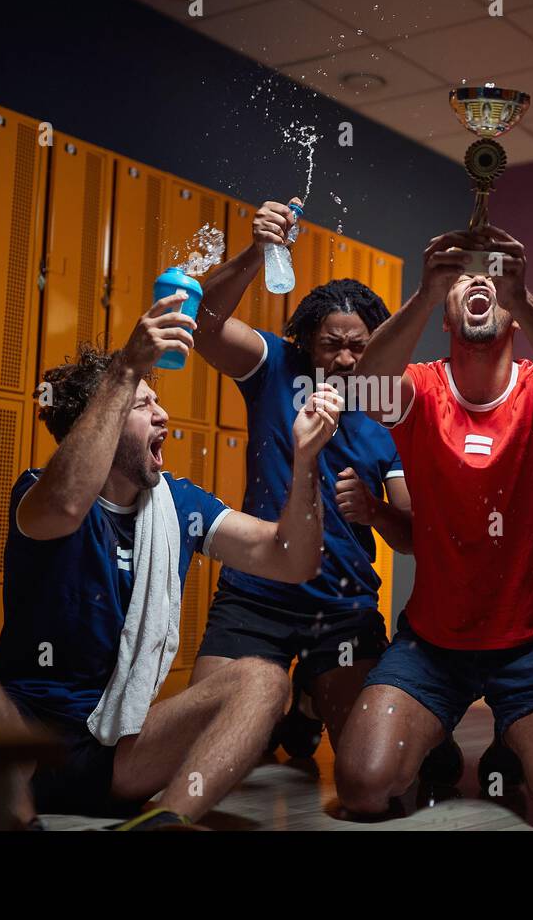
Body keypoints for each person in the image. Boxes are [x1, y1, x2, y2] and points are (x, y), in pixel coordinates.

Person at [0, 291, 343, 830]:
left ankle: (163, 822)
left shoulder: (179, 506)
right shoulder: (39, 493)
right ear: (100, 420)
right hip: (24, 739)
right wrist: (125, 368)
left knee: (264, 682)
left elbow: (293, 560)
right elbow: (68, 502)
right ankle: (18, 820)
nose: (163, 414)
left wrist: (307, 458)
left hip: (117, 750)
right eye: (143, 406)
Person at [333, 224, 533, 816]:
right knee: (363, 787)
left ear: (509, 314)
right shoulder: (423, 388)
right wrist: (425, 293)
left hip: (528, 644)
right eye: (461, 279)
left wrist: (524, 298)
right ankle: (441, 751)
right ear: (448, 318)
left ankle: (513, 741)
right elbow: (368, 389)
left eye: (491, 276)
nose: (477, 281)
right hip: (432, 643)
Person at [190, 198, 412, 758]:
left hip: (342, 609)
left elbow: (410, 536)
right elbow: (203, 328)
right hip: (254, 598)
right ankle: (285, 710)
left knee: (368, 769)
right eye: (331, 345)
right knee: (200, 746)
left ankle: (310, 701)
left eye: (359, 346)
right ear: (306, 343)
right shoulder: (274, 366)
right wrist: (255, 253)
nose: (344, 359)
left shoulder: (390, 409)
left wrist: (377, 511)